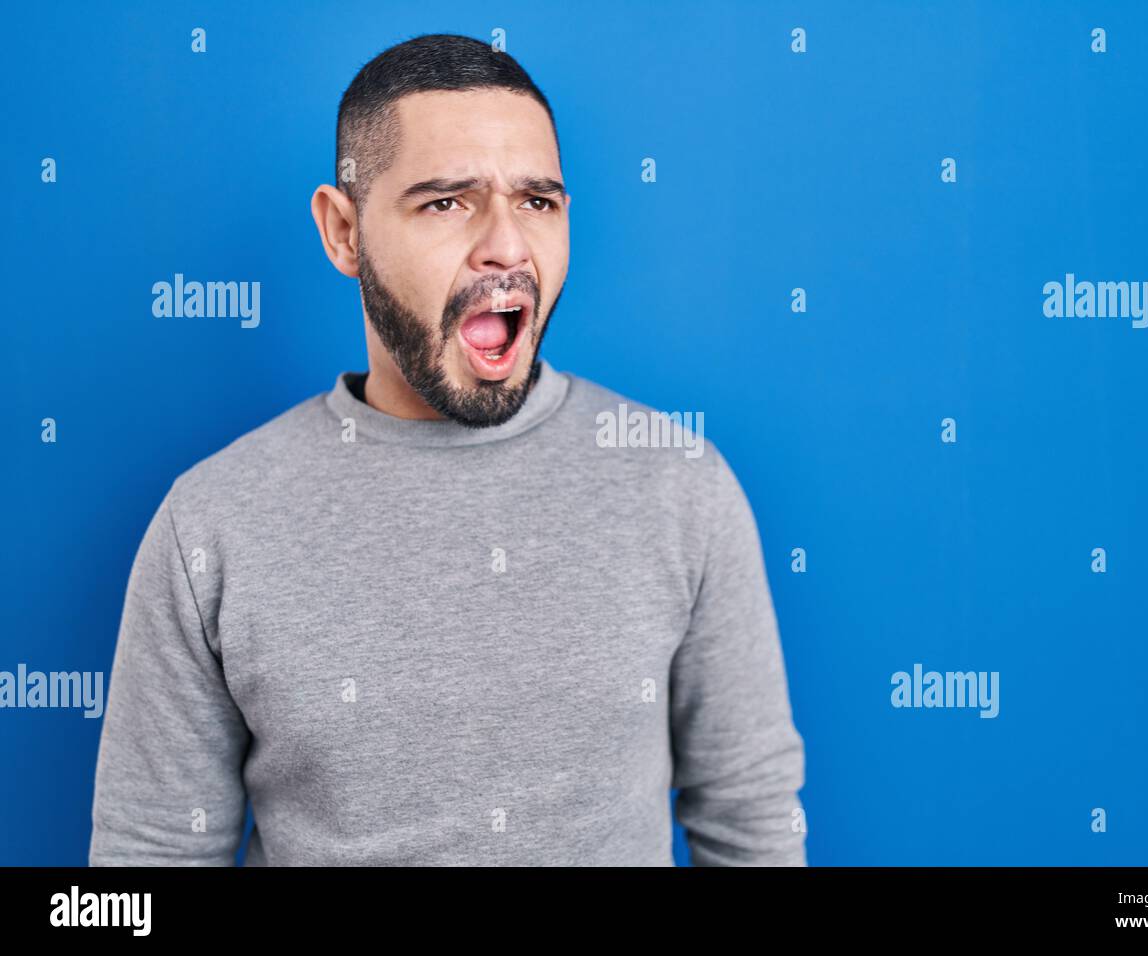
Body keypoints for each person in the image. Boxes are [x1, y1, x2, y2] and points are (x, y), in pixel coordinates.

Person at [89, 33, 806, 866]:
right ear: (344, 232)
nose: (507, 246)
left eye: (538, 202)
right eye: (447, 202)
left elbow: (751, 820)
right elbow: (144, 861)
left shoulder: (682, 485)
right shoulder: (210, 523)